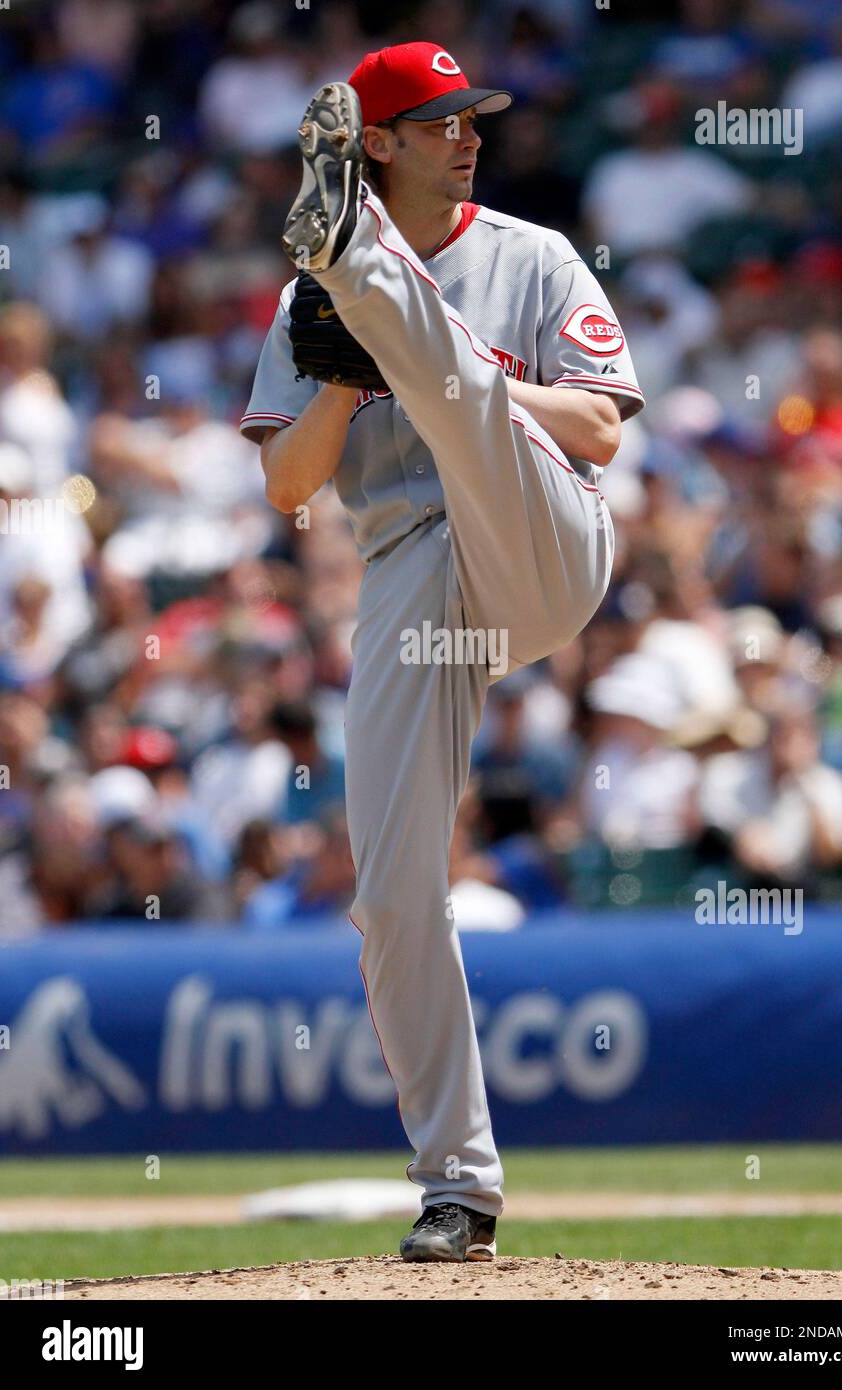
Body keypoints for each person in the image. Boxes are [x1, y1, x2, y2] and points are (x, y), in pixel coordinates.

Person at [241, 42, 643, 1263]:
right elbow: (285, 487)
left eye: (472, 114)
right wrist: (349, 389)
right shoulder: (301, 302)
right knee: (393, 888)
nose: (467, 132)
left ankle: (384, 283)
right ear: (378, 141)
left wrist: (444, 369)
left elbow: (603, 428)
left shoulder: (531, 253)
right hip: (416, 573)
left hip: (539, 529)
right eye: (436, 118)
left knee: (460, 400)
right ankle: (457, 1187)